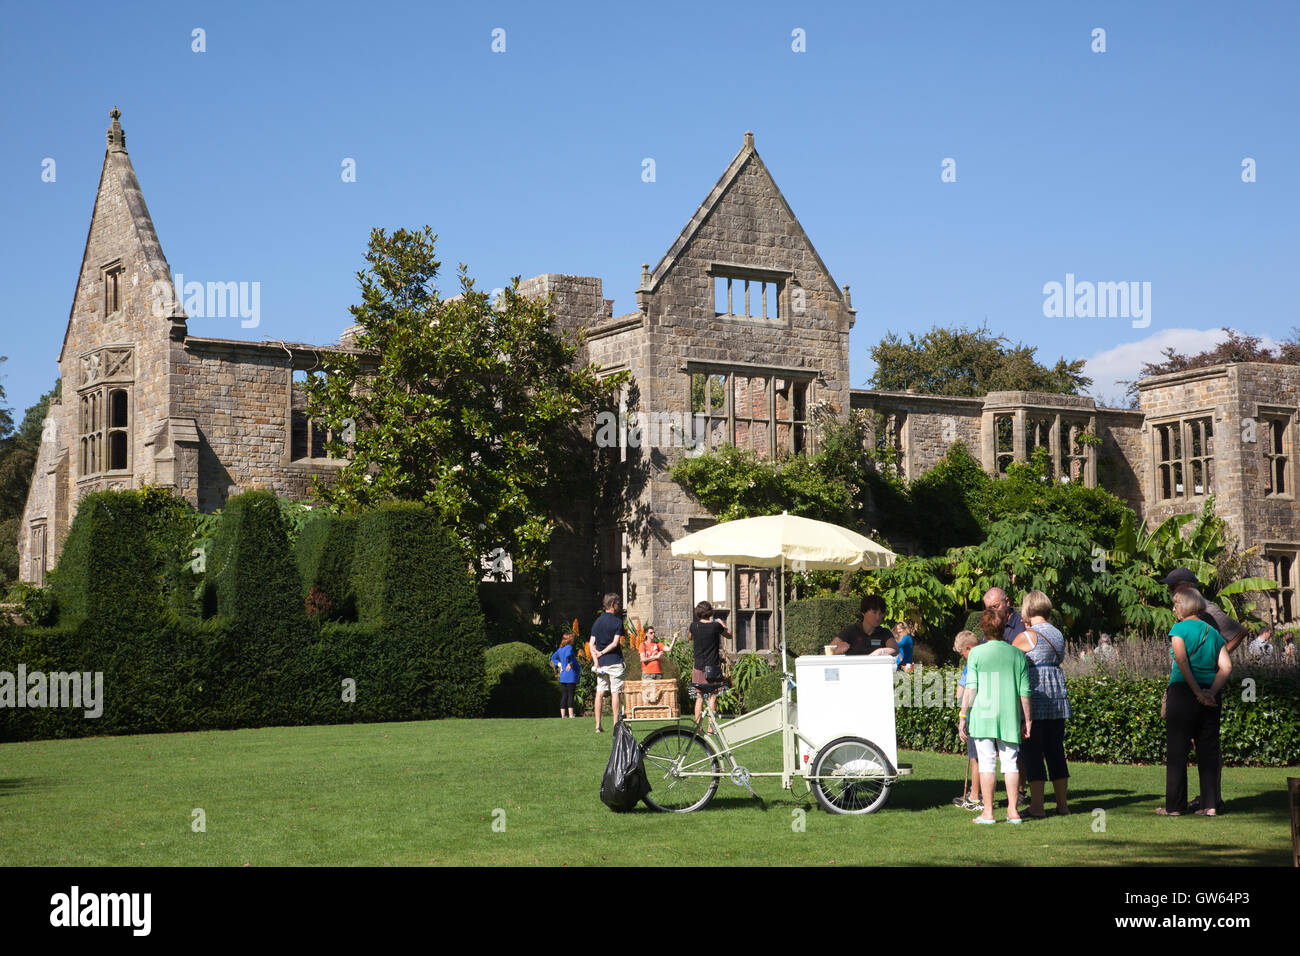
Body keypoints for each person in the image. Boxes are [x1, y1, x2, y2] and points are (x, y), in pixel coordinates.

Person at [1160, 567, 1244, 812]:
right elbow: (1226, 667)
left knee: (1178, 749)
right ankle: (1210, 806)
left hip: (1186, 689)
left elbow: (1182, 662)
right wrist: (1210, 688)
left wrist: (1197, 690)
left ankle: (1175, 806)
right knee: (1207, 747)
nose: (1170, 595)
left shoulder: (1183, 625)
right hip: (1210, 690)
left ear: (1185, 589)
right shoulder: (1213, 634)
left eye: (1172, 589)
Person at [959, 608, 1032, 824]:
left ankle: (988, 813)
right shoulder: (1017, 654)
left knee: (986, 763)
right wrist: (1027, 719)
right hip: (1009, 714)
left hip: (983, 714)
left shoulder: (976, 654)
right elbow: (1024, 692)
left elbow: (970, 689)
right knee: (1010, 763)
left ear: (983, 628)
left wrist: (963, 716)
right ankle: (1013, 811)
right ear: (1004, 628)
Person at [1011, 590, 1071, 817]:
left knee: (1032, 751)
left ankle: (1037, 806)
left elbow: (1010, 661)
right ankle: (1063, 805)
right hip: (1056, 696)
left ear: (1028, 608)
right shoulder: (1057, 634)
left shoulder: (1027, 636)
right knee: (1056, 751)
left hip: (1035, 696)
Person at [951, 629, 984, 810]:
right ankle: (979, 794)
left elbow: (961, 693)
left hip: (975, 716)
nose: (964, 657)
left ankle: (974, 796)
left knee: (975, 758)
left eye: (963, 654)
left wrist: (962, 716)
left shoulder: (971, 664)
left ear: (969, 648)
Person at [588, 593, 626, 733]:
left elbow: (591, 644)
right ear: (612, 604)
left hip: (601, 664)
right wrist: (602, 653)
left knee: (600, 692)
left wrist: (596, 662)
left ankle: (598, 726)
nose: (618, 606)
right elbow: (615, 643)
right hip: (615, 662)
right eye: (617, 603)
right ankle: (616, 725)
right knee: (616, 692)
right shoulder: (617, 622)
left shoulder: (597, 622)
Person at [688, 601, 729, 724]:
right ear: (710, 612)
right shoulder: (715, 626)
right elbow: (729, 635)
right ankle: (711, 728)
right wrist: (722, 624)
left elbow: (690, 637)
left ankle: (698, 728)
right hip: (713, 668)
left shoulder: (694, 626)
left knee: (699, 698)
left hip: (698, 667)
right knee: (713, 697)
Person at [830, 595, 899, 657]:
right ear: (863, 612)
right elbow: (829, 650)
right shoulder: (850, 630)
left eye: (880, 613)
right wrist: (837, 650)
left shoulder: (885, 632)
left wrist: (881, 651)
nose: (878, 617)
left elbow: (895, 649)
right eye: (874, 612)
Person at [549, 633, 580, 718]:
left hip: (563, 675)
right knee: (571, 694)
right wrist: (570, 663)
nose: (574, 640)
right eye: (573, 638)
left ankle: (563, 715)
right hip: (570, 674)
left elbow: (553, 657)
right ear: (570, 640)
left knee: (564, 695)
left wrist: (559, 664)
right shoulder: (569, 647)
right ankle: (571, 715)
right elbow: (569, 654)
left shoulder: (560, 649)